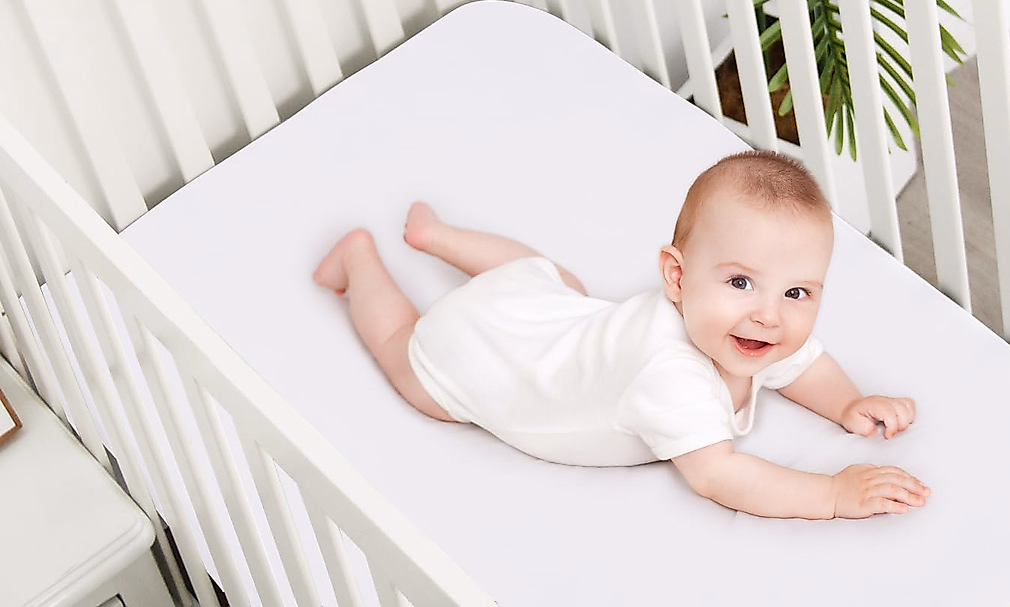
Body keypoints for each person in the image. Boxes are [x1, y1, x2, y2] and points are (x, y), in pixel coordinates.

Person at [313, 149, 930, 520]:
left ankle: (439, 238)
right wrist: (832, 493)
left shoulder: (747, 329)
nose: (770, 315)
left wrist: (848, 402)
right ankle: (359, 259)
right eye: (740, 282)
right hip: (489, 357)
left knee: (556, 279)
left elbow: (805, 364)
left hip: (539, 309)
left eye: (797, 293)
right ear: (676, 277)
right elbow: (719, 475)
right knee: (404, 350)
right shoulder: (672, 376)